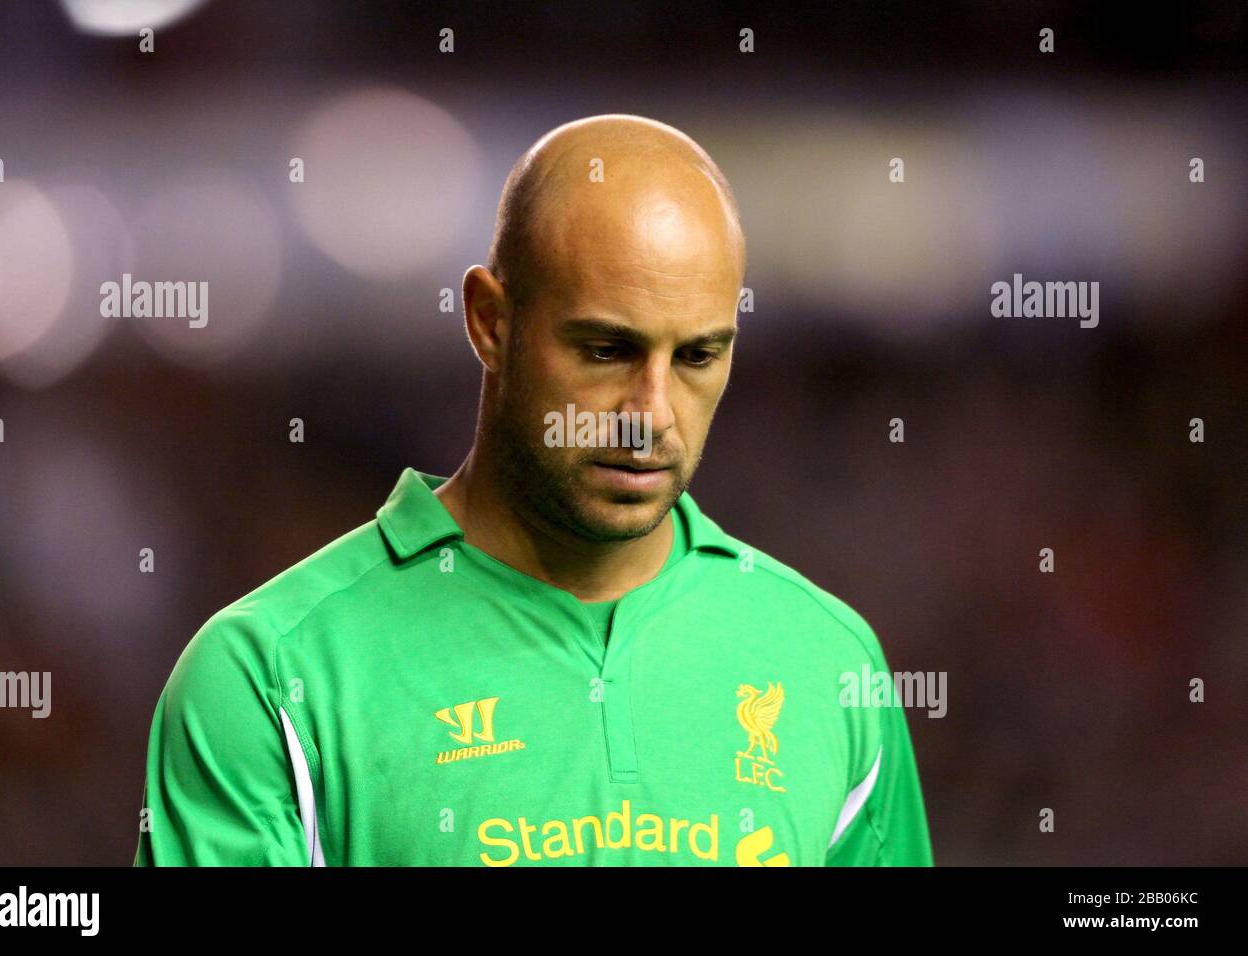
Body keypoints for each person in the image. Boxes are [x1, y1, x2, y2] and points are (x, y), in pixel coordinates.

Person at [134, 114, 933, 866]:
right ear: (490, 321)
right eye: (606, 350)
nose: (649, 416)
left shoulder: (831, 664)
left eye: (696, 358)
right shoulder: (269, 679)